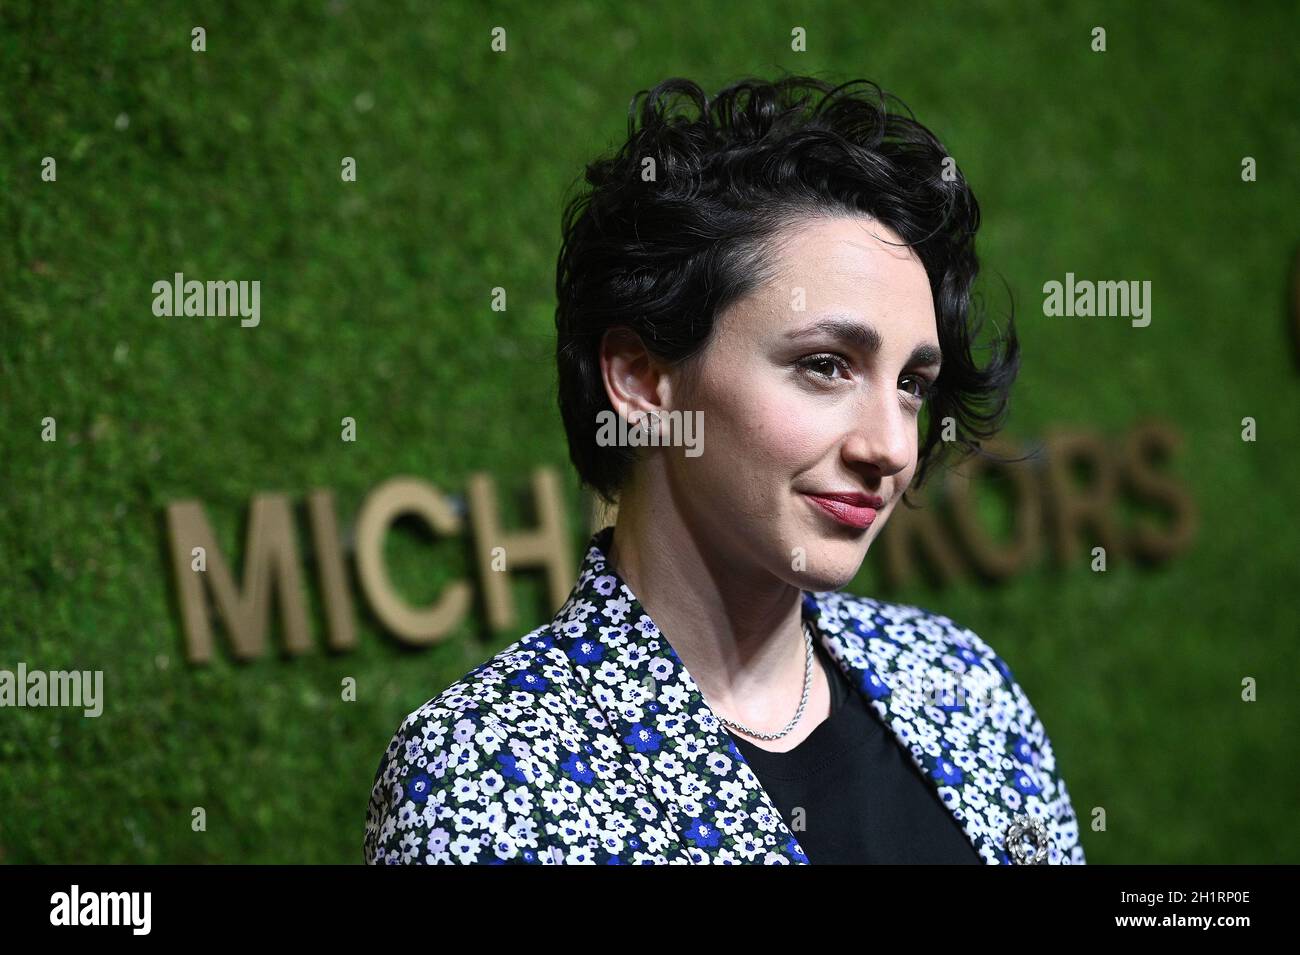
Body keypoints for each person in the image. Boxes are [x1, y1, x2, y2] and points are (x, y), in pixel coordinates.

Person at [364, 74, 1085, 865]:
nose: (890, 446)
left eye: (912, 384)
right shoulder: (482, 770)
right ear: (641, 379)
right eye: (825, 364)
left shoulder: (961, 682)